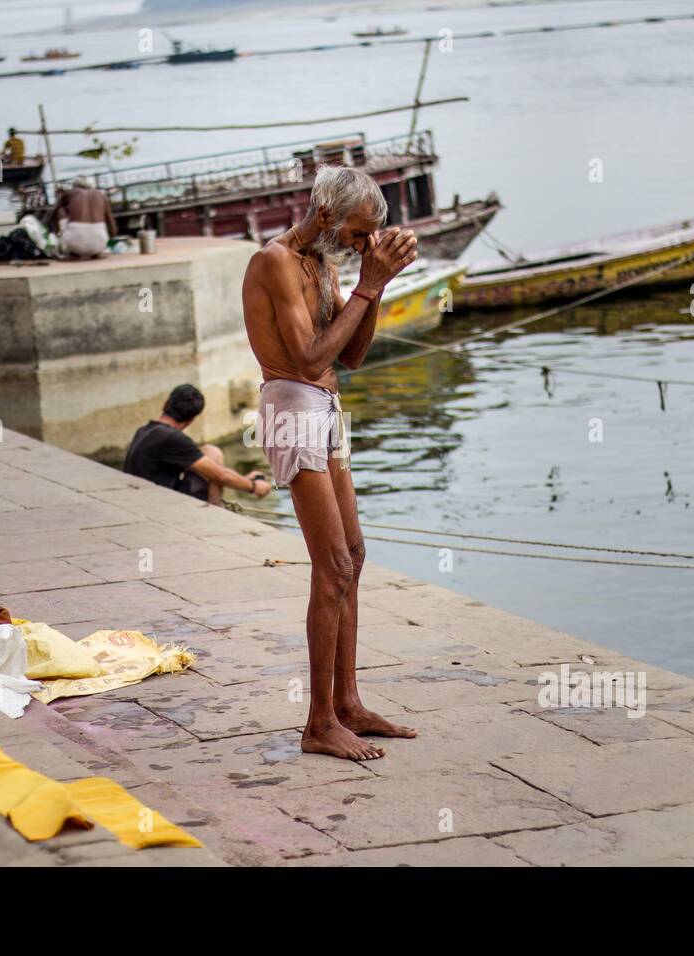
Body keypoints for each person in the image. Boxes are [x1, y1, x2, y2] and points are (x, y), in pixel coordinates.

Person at [241, 164, 418, 761]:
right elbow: (309, 353)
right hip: (291, 406)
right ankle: (317, 723)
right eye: (357, 233)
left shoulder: (323, 263)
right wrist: (369, 283)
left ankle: (347, 704)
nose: (362, 244)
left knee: (355, 557)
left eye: (369, 237)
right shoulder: (275, 261)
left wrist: (379, 281)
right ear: (324, 216)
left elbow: (355, 354)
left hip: (327, 404)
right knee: (333, 563)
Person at [124, 384, 272, 505]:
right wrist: (253, 486)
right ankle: (215, 509)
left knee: (207, 453)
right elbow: (221, 476)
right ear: (192, 420)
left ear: (165, 404)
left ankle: (215, 506)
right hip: (156, 505)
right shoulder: (171, 438)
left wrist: (244, 479)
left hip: (140, 496)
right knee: (213, 453)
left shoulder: (145, 430)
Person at [56, 176, 118, 259]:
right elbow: (112, 228)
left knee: (61, 210)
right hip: (99, 245)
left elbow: (55, 209)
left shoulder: (71, 193)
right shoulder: (100, 194)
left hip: (74, 245)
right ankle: (96, 253)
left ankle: (73, 254)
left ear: (74, 186)